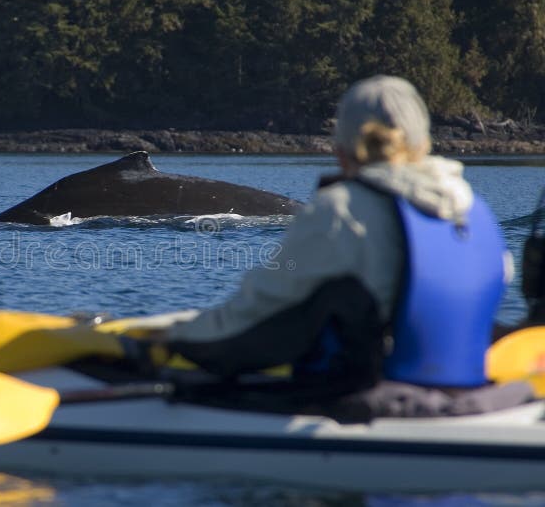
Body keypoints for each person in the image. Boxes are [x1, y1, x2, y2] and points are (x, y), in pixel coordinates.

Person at [154, 75, 513, 390]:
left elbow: (248, 320)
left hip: (361, 400)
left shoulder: (343, 210)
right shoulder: (473, 209)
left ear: (341, 146)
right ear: (423, 142)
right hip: (470, 393)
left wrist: (167, 339)